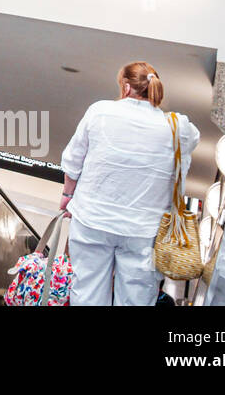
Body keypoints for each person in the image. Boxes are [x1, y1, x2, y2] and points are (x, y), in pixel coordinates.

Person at [59, 61, 200, 306]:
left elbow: (73, 161)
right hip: (144, 231)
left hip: (92, 220)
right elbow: (193, 139)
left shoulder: (100, 111)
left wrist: (67, 195)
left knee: (87, 290)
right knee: (136, 298)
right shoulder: (179, 127)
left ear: (125, 87)